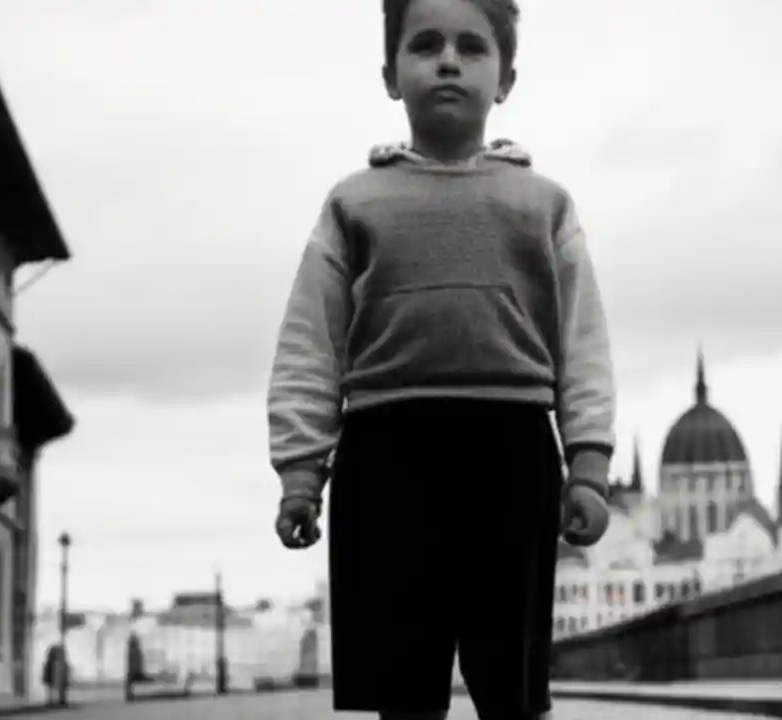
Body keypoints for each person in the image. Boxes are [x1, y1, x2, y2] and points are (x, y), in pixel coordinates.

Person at [267, 0, 616, 717]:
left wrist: (589, 463)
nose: (448, 59)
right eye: (425, 44)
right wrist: (302, 471)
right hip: (384, 457)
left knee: (511, 692)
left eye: (472, 47)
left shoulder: (542, 203)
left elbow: (581, 339)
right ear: (391, 75)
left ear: (506, 77)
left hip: (513, 453)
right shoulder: (353, 204)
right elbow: (311, 342)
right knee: (403, 688)